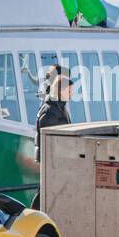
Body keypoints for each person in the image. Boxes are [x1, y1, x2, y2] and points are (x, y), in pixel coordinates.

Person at [32, 65, 74, 209]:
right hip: (52, 160)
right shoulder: (51, 109)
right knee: (45, 191)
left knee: (45, 190)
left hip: (56, 159)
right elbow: (48, 138)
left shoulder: (59, 107)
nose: (72, 94)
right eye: (69, 90)